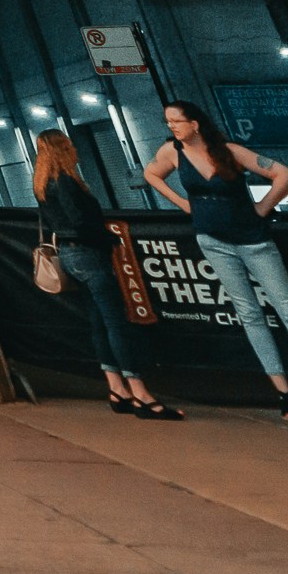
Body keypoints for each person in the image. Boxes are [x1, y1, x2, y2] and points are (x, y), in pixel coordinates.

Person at [147, 99, 288, 423]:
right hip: (213, 241)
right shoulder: (172, 151)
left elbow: (285, 174)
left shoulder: (230, 151)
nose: (171, 126)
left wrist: (263, 208)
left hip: (254, 241)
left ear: (194, 124)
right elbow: (151, 174)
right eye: (168, 121)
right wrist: (184, 204)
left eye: (176, 121)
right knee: (250, 314)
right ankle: (284, 395)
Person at [32, 129, 175, 418]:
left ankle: (116, 388)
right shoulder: (66, 182)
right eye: (70, 145)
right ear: (64, 149)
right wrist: (108, 238)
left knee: (98, 322)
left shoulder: (42, 185)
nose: (75, 149)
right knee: (115, 323)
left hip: (70, 256)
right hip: (88, 254)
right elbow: (79, 221)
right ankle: (140, 393)